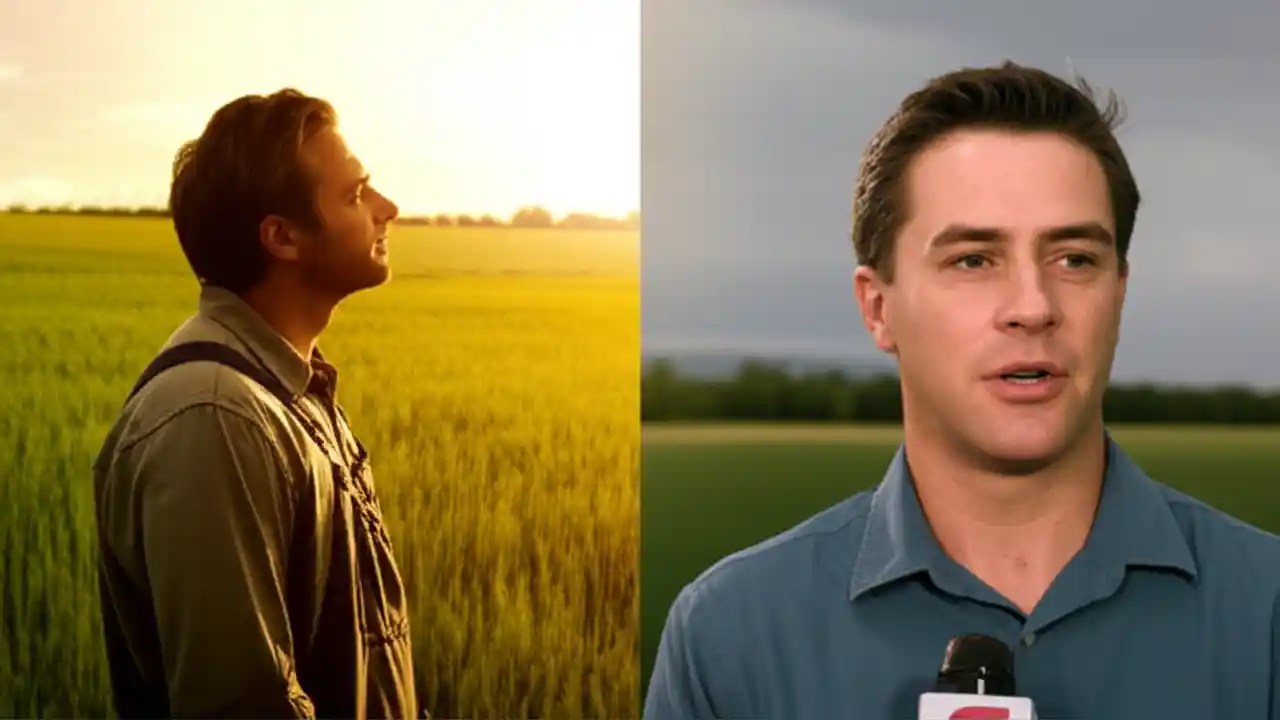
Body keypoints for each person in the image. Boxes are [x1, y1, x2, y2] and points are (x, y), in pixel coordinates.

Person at [643, 61, 1280, 719]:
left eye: (1075, 259)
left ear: (1119, 292)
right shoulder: (728, 636)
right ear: (878, 308)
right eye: (974, 260)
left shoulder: (1268, 612)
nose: (1033, 306)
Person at [93, 89, 419, 719]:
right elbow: (244, 703)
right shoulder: (214, 417)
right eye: (354, 195)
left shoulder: (292, 393)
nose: (387, 208)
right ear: (282, 237)